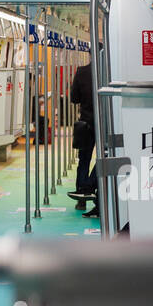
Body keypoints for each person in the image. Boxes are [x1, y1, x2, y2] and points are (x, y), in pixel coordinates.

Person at [68, 63, 99, 217]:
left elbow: (74, 98)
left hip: (87, 122)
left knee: (84, 160)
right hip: (107, 121)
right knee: (105, 157)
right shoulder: (111, 69)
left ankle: (81, 197)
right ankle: (92, 188)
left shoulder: (81, 71)